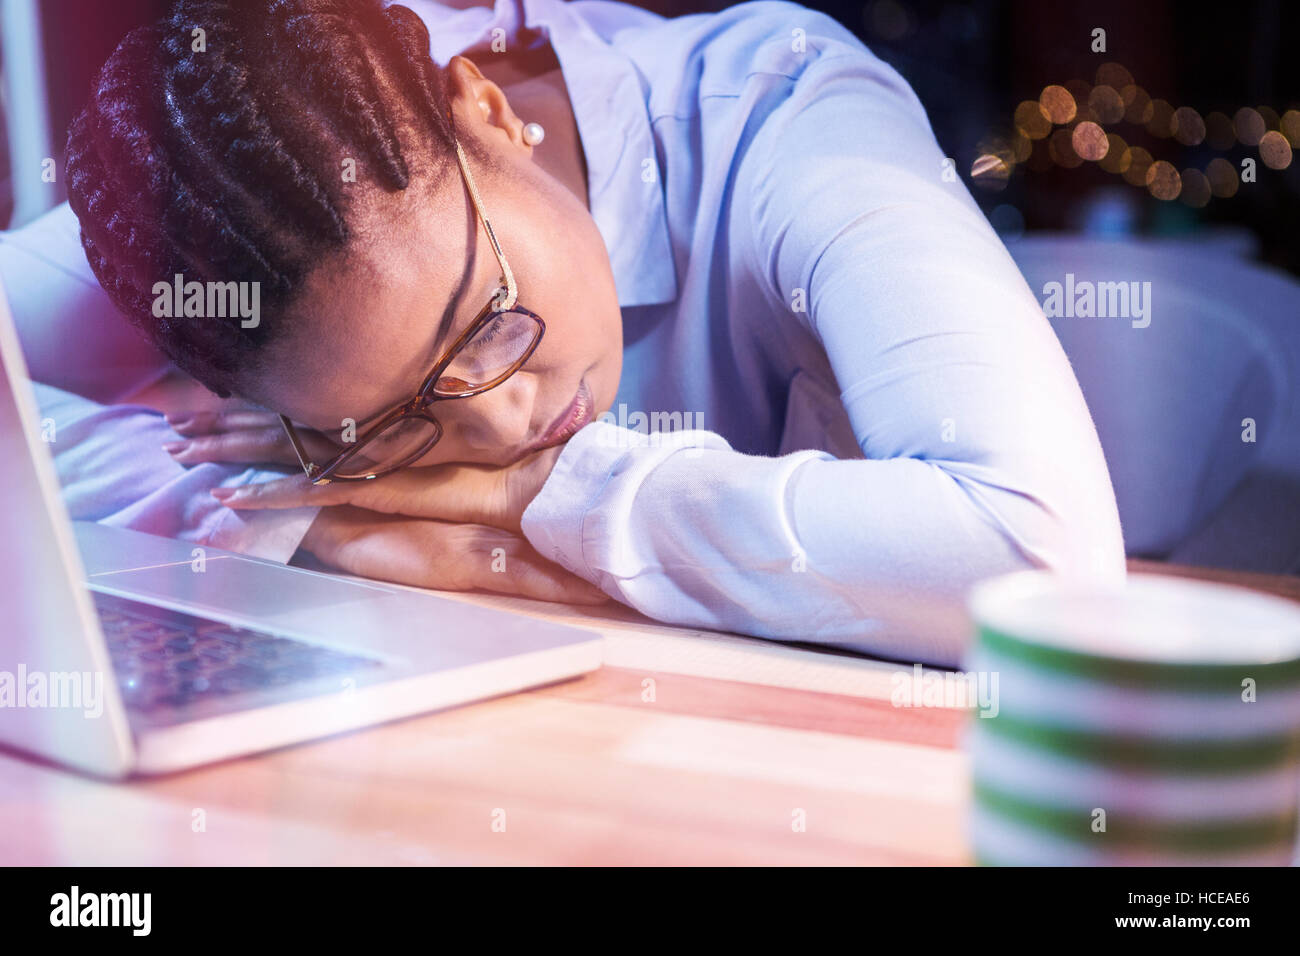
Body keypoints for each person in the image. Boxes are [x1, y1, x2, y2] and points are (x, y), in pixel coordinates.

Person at [3, 0, 1124, 665]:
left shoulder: (787, 118)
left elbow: (1049, 564)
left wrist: (534, 508)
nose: (500, 420)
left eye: (484, 324)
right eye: (394, 424)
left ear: (488, 111)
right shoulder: (234, 227)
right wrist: (274, 510)